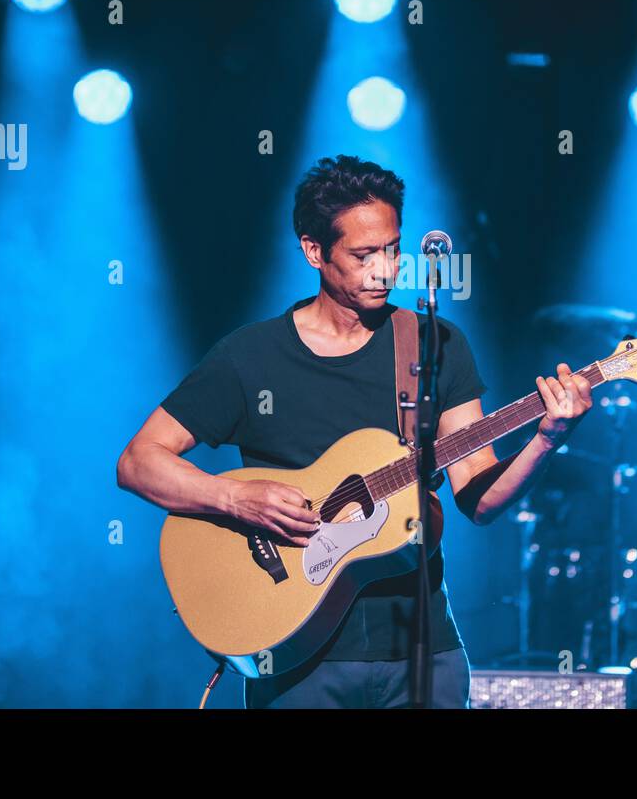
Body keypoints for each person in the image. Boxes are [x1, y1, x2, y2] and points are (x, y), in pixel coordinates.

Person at [117, 154, 593, 708]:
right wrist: (236, 496)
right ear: (314, 251)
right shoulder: (250, 357)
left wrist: (545, 440)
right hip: (294, 655)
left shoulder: (433, 345)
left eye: (393, 249)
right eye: (364, 254)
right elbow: (138, 461)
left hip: (422, 654)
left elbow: (479, 500)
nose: (385, 270)